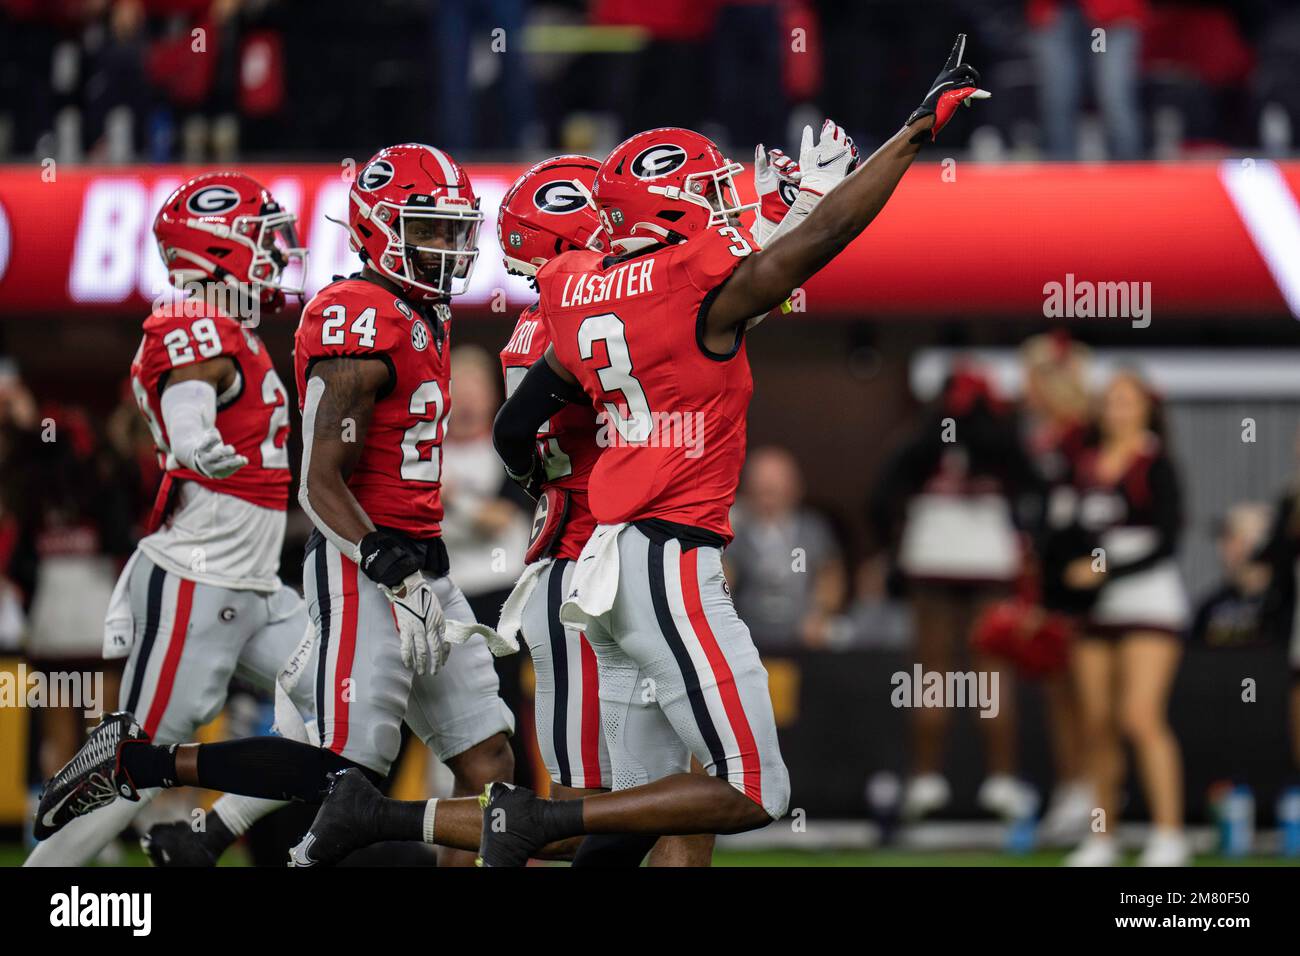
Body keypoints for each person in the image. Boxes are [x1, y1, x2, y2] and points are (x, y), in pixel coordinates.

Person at [292, 35, 989, 867]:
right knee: (700, 797)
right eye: (705, 196)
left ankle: (404, 820)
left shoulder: (576, 297)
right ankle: (429, 820)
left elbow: (536, 416)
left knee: (635, 821)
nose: (721, 207)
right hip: (634, 555)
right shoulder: (673, 287)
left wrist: (775, 217)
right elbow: (781, 267)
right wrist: (897, 142)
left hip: (603, 562)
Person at [36, 146, 516, 869]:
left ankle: (203, 833)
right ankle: (140, 766)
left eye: (455, 229)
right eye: (432, 229)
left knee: (483, 763)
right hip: (327, 569)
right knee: (334, 769)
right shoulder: (349, 315)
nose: (450, 247)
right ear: (383, 228)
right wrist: (395, 572)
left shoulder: (415, 312)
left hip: (336, 570)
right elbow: (319, 481)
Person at [27, 171, 319, 865]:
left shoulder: (235, 330)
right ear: (215, 253)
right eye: (261, 237)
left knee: (344, 708)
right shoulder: (196, 320)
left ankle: (202, 838)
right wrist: (192, 440)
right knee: (135, 771)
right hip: (196, 578)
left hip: (253, 584)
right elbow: (188, 393)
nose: (279, 251)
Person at [869, 364, 1042, 822]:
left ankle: (928, 780)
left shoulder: (924, 436)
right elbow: (1033, 490)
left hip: (935, 556)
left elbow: (882, 495)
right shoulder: (1000, 438)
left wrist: (895, 542)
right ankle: (999, 781)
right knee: (990, 672)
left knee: (932, 672)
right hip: (983, 559)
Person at [1058, 369, 1190, 867]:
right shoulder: (1084, 464)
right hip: (1095, 610)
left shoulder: (1158, 464)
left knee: (1140, 716)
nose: (1117, 410)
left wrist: (1106, 569)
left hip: (1149, 600)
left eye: (1126, 400)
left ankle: (1168, 834)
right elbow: (1069, 532)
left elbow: (1167, 540)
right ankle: (1102, 837)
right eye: (1109, 401)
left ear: (1146, 408)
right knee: (1096, 724)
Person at [725, 446, 847, 652]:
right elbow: (723, 580)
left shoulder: (813, 531)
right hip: (748, 626)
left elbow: (830, 578)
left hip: (803, 626)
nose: (768, 499)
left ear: (794, 489)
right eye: (761, 490)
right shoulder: (736, 532)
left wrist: (820, 614)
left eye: (774, 491)